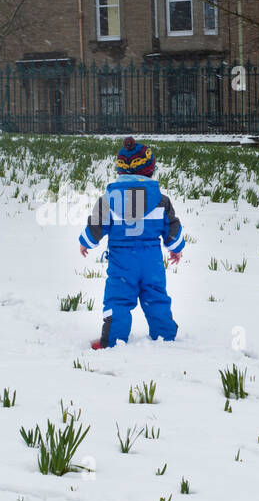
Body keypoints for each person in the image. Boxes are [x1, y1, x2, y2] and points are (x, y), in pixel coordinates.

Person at [77, 138, 185, 349]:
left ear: (119, 171)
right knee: (156, 296)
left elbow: (96, 225)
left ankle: (113, 339)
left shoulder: (108, 200)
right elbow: (172, 226)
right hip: (151, 261)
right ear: (150, 171)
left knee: (118, 300)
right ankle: (165, 335)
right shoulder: (161, 201)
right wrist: (176, 248)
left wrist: (86, 242)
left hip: (122, 262)